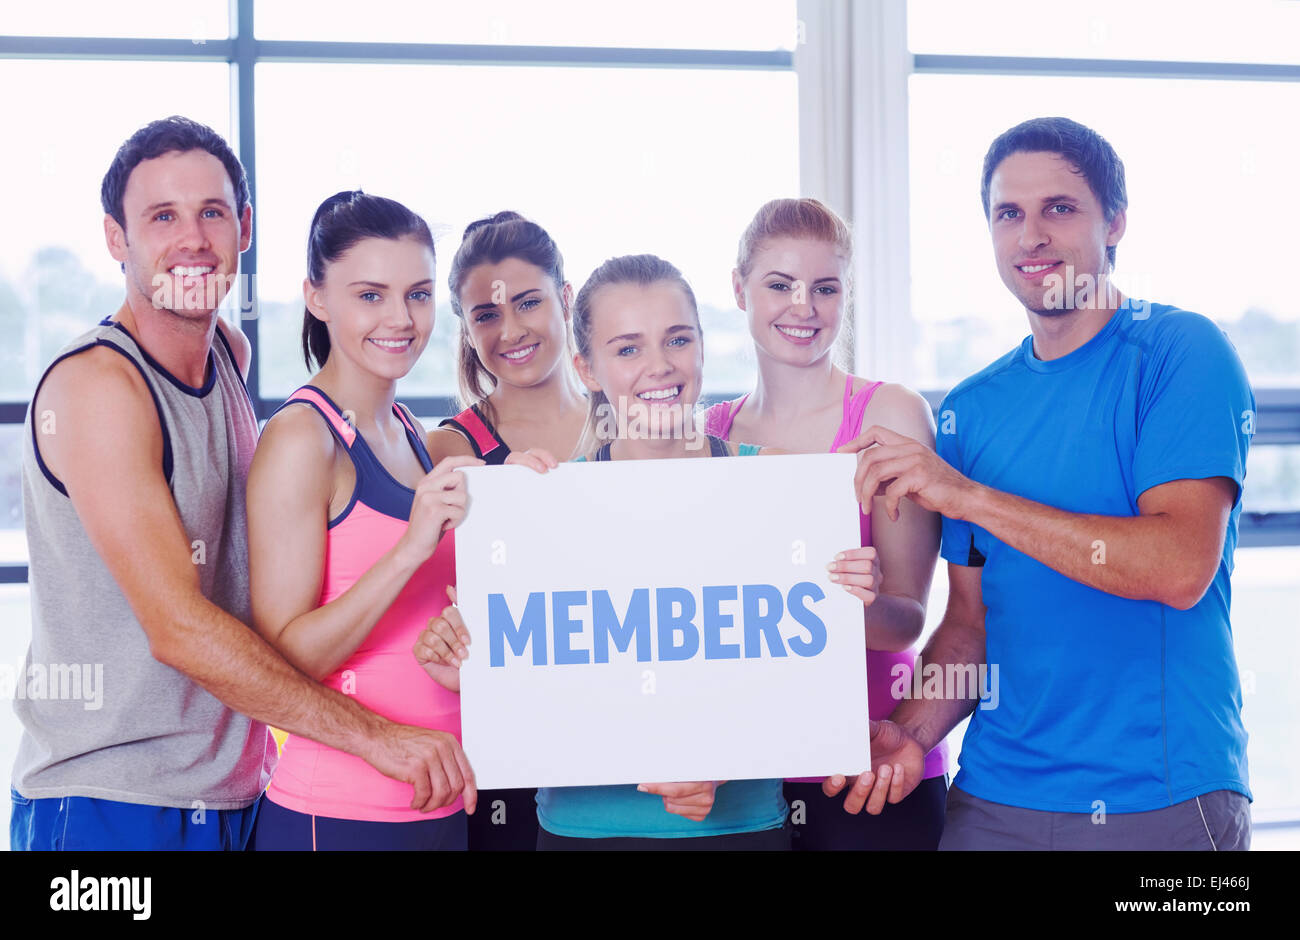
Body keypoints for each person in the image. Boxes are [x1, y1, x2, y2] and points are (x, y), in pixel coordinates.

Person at [10, 117, 474, 851]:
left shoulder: (229, 352)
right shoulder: (98, 387)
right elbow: (179, 628)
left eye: (212, 213)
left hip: (234, 794)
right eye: (162, 216)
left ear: (244, 227)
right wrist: (378, 739)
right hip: (110, 802)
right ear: (115, 238)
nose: (192, 238)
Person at [825, 117, 1253, 851]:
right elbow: (968, 628)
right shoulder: (971, 410)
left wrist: (965, 495)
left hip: (1164, 802)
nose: (1032, 236)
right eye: (1008, 213)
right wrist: (906, 733)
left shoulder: (1181, 353)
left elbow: (1179, 566)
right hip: (995, 801)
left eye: (1060, 208)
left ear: (1114, 221)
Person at [416, 253, 880, 850]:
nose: (659, 366)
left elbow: (793, 675)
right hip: (581, 832)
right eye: (628, 348)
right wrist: (467, 669)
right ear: (586, 367)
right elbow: (548, 669)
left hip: (741, 827)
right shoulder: (542, 504)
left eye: (678, 340)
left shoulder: (782, 491)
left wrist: (848, 598)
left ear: (703, 348)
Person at [702, 198, 948, 851]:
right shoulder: (711, 433)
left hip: (870, 764)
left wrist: (836, 601)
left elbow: (907, 618)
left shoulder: (890, 416)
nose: (802, 307)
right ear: (739, 288)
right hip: (750, 774)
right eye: (779, 285)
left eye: (825, 288)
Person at [244, 191, 487, 850]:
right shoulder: (301, 438)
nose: (400, 318)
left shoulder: (411, 434)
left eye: (417, 294)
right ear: (317, 298)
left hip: (439, 805)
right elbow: (287, 658)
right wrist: (409, 550)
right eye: (370, 295)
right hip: (339, 816)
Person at [427, 211, 587, 850]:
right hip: (505, 760)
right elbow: (437, 609)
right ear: (466, 329)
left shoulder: (633, 428)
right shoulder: (448, 449)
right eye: (486, 315)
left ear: (566, 299)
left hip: (625, 741)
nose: (511, 330)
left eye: (528, 303)